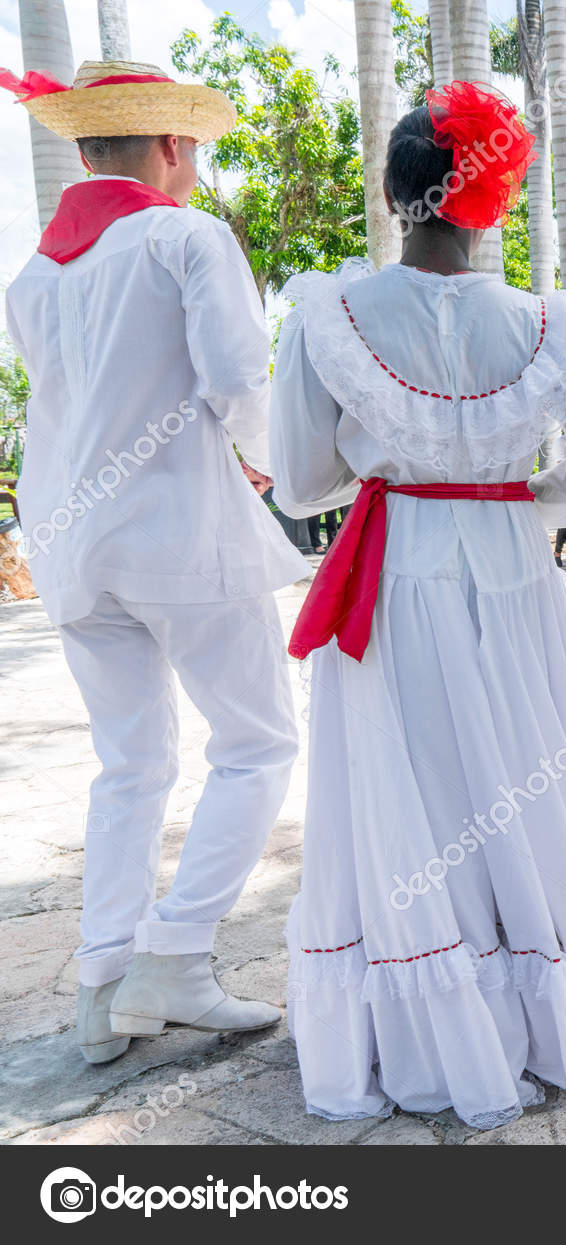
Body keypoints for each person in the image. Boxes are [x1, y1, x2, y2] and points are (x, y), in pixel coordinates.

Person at [268, 85, 566, 1129]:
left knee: (412, 778)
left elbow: (299, 484)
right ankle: (558, 994)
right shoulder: (546, 322)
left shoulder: (329, 316)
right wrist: (513, 498)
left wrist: (398, 471)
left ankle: (438, 1015)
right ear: (497, 200)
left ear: (396, 194)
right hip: (513, 569)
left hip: (394, 571)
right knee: (528, 771)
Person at [2, 60, 305, 1063]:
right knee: (256, 743)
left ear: (87, 150)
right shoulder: (185, 235)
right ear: (172, 145)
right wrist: (299, 478)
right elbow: (235, 382)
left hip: (71, 540)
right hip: (177, 531)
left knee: (130, 764)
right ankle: (173, 957)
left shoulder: (34, 275)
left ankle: (100, 987)